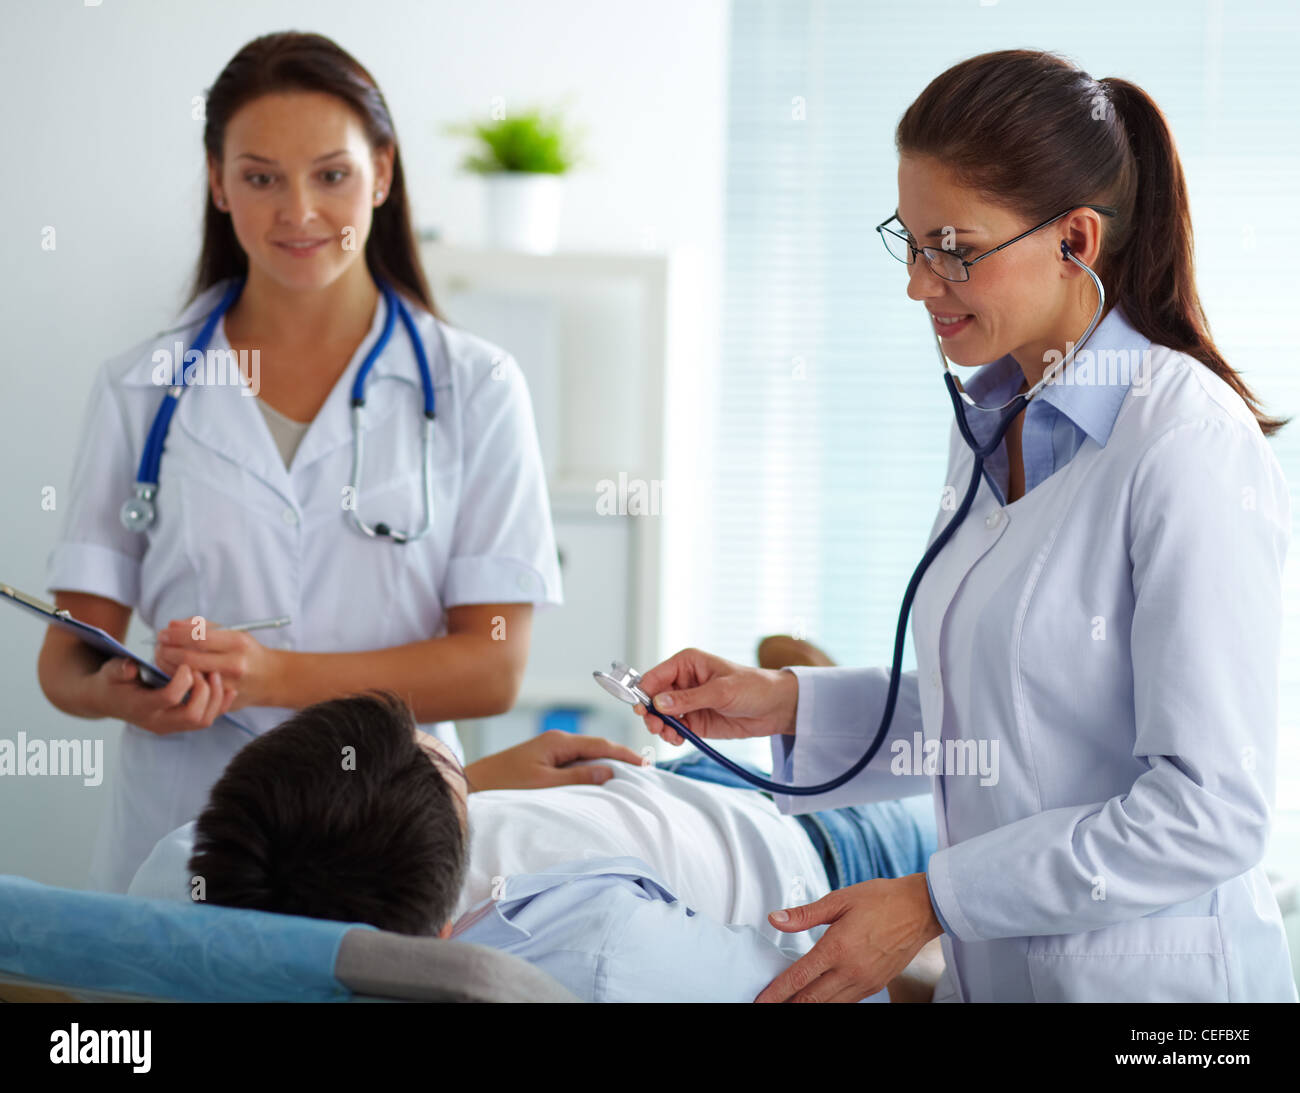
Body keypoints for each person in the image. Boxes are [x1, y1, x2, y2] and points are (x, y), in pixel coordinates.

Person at [630, 49, 1297, 1003]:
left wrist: (936, 901)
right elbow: (1005, 716)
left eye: (955, 248)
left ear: (1076, 240)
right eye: (909, 241)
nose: (919, 283)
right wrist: (786, 701)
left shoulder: (1187, 444)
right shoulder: (1002, 412)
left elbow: (1208, 811)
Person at [36, 31, 561, 893]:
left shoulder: (477, 387)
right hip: (185, 826)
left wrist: (274, 678)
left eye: (331, 174)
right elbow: (67, 659)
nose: (298, 213)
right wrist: (123, 694)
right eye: (260, 177)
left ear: (382, 174)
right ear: (218, 183)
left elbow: (493, 663)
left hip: (392, 830)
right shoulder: (141, 386)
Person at [128, 691, 938, 1003]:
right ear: (441, 940)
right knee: (966, 783)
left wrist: (476, 778)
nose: (459, 778)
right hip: (810, 850)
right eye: (448, 781)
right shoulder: (598, 955)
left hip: (664, 782)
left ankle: (805, 692)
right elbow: (852, 986)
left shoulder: (187, 871)